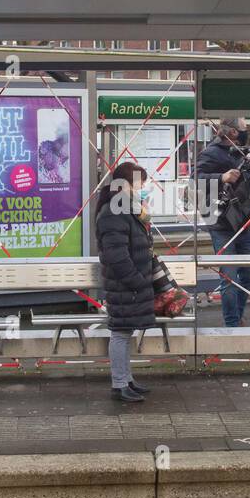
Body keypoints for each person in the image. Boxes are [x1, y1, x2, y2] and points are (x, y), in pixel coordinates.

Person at [95, 162, 159, 403]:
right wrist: (137, 281)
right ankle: (119, 384)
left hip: (129, 284)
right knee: (120, 334)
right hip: (125, 285)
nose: (143, 187)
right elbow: (116, 254)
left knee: (125, 331)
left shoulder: (126, 208)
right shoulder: (115, 211)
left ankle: (126, 379)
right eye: (140, 183)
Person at [196, 117, 250, 327]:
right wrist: (222, 177)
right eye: (245, 128)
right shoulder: (211, 152)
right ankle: (232, 325)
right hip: (222, 223)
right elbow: (195, 181)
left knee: (249, 275)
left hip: (243, 221)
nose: (248, 131)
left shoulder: (243, 151)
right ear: (234, 132)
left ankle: (236, 316)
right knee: (229, 277)